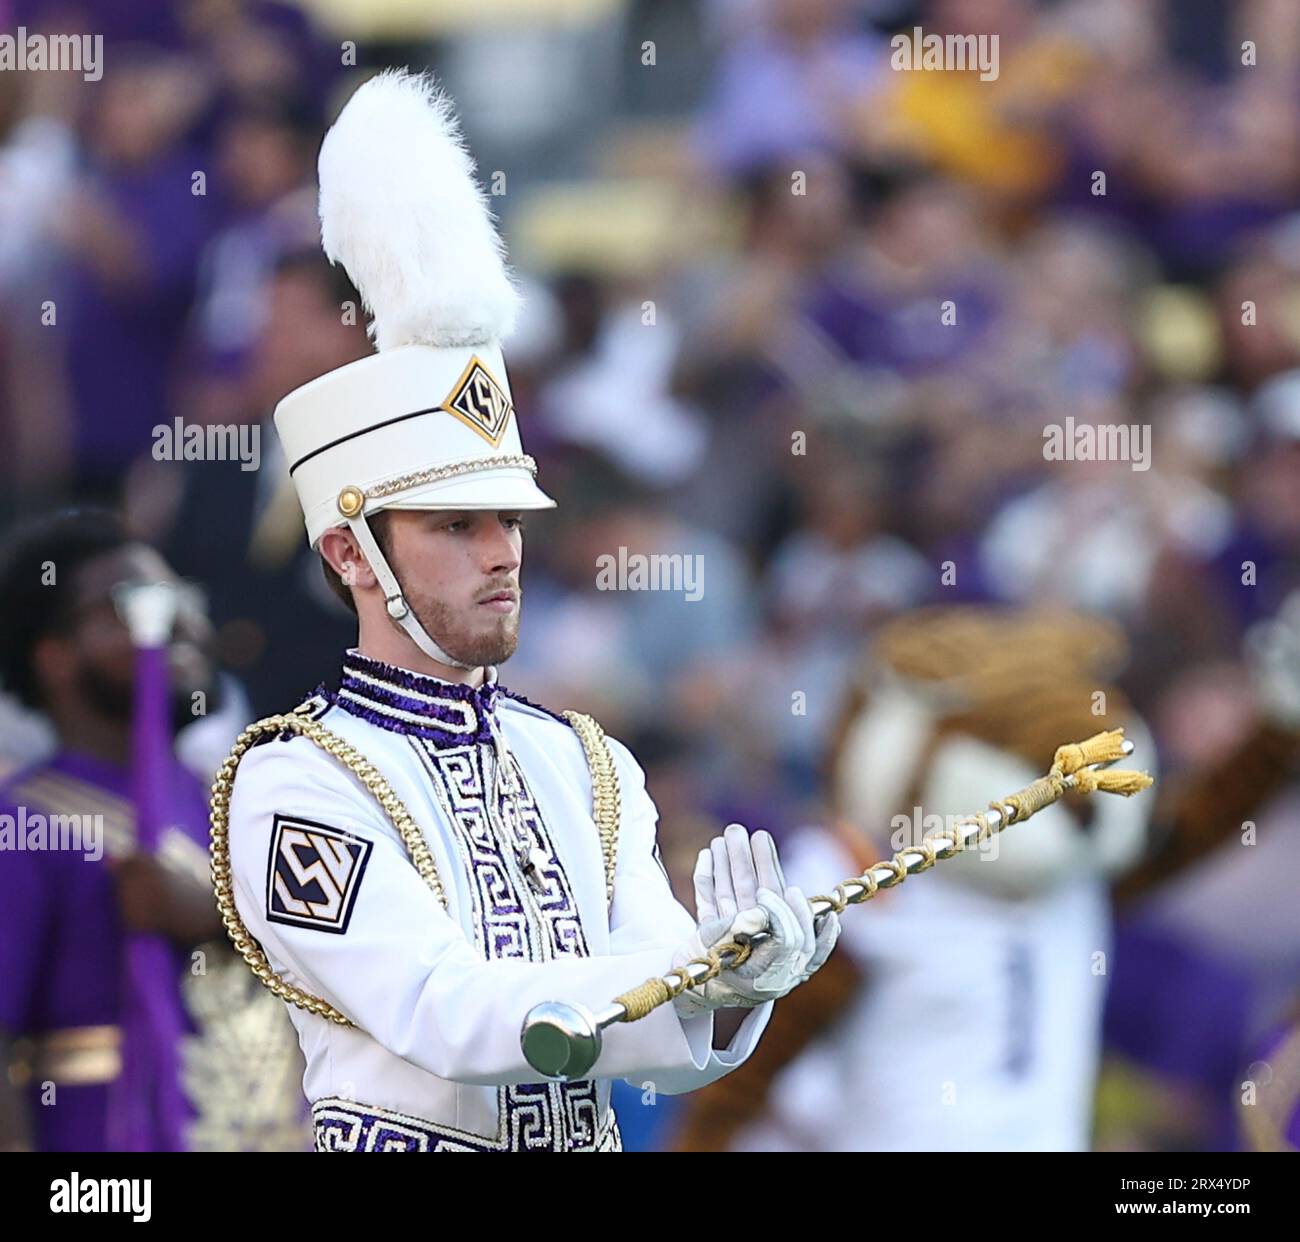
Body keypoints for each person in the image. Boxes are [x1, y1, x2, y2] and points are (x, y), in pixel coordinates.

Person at [214, 69, 839, 1153]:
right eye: (456, 527)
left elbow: (664, 1042)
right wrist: (687, 971)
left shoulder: (584, 762)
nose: (504, 553)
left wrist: (740, 978)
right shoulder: (292, 779)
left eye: (508, 521)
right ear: (349, 553)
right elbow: (448, 1013)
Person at [0, 509, 303, 1152]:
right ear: (54, 658)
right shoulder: (21, 824)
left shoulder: (233, 800)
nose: (182, 626)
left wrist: (213, 913)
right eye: (135, 604)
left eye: (182, 601)